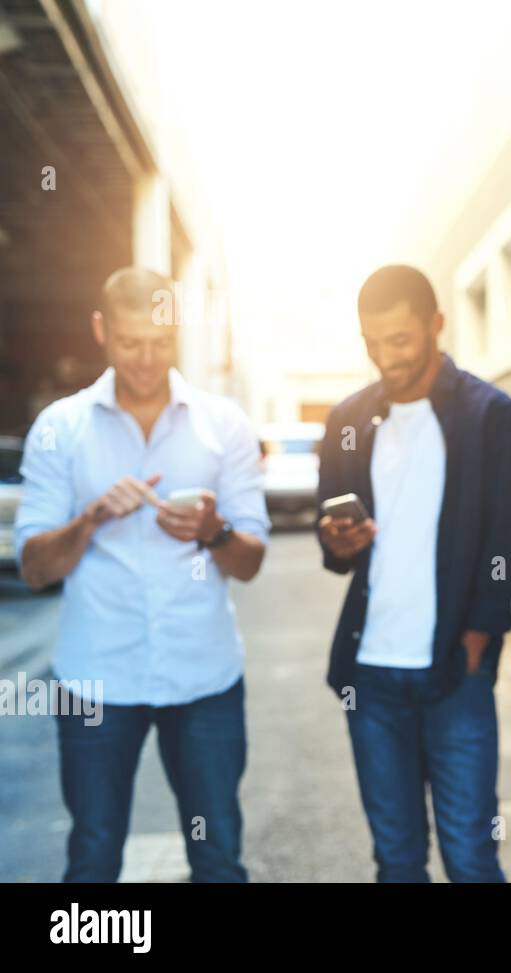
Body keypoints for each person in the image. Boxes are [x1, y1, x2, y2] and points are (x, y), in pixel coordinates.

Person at [16, 267, 269, 882]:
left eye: (160, 342)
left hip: (202, 675)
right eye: (131, 343)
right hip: (97, 680)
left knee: (216, 856)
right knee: (95, 855)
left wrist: (214, 533)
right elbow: (34, 567)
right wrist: (93, 516)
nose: (147, 359)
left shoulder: (224, 425)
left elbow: (252, 560)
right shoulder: (61, 427)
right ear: (102, 331)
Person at [317, 264, 511, 883]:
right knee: (397, 860)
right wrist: (340, 541)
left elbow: (506, 541)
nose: (387, 358)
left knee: (469, 856)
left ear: (436, 325)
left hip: (453, 674)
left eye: (401, 340)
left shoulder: (491, 415)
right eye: (372, 343)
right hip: (370, 674)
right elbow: (334, 554)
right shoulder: (348, 422)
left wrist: (477, 642)